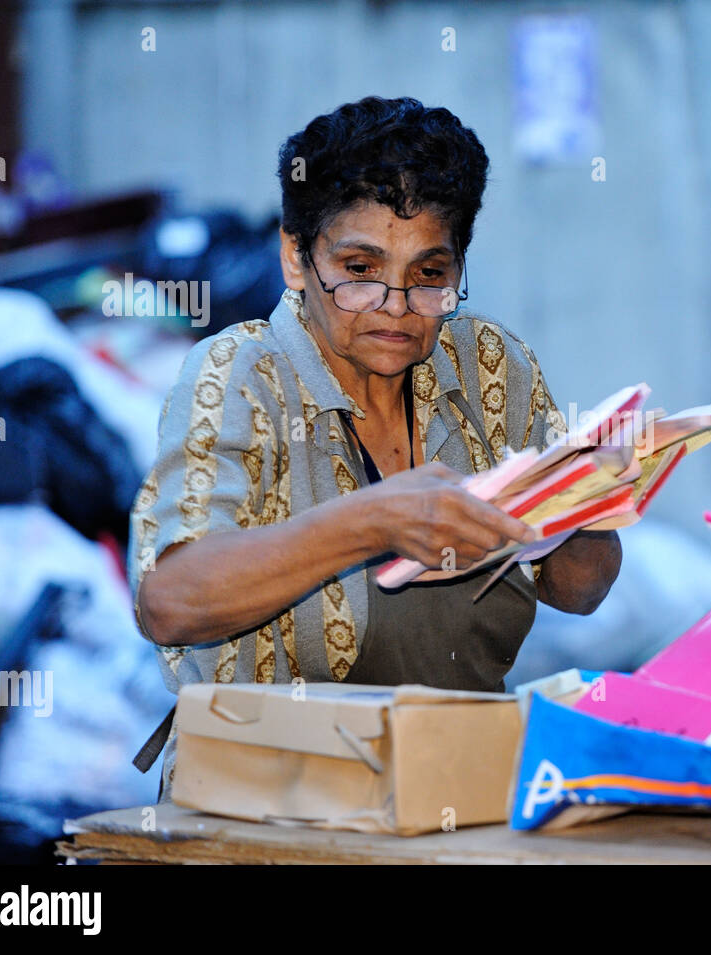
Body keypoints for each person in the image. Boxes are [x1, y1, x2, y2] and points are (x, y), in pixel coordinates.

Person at [127, 96, 622, 800]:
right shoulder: (242, 375)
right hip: (265, 809)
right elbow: (168, 600)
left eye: (429, 274)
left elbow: (579, 589)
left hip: (456, 794)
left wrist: (590, 503)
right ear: (296, 258)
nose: (395, 303)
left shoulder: (488, 364)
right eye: (360, 268)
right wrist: (372, 521)